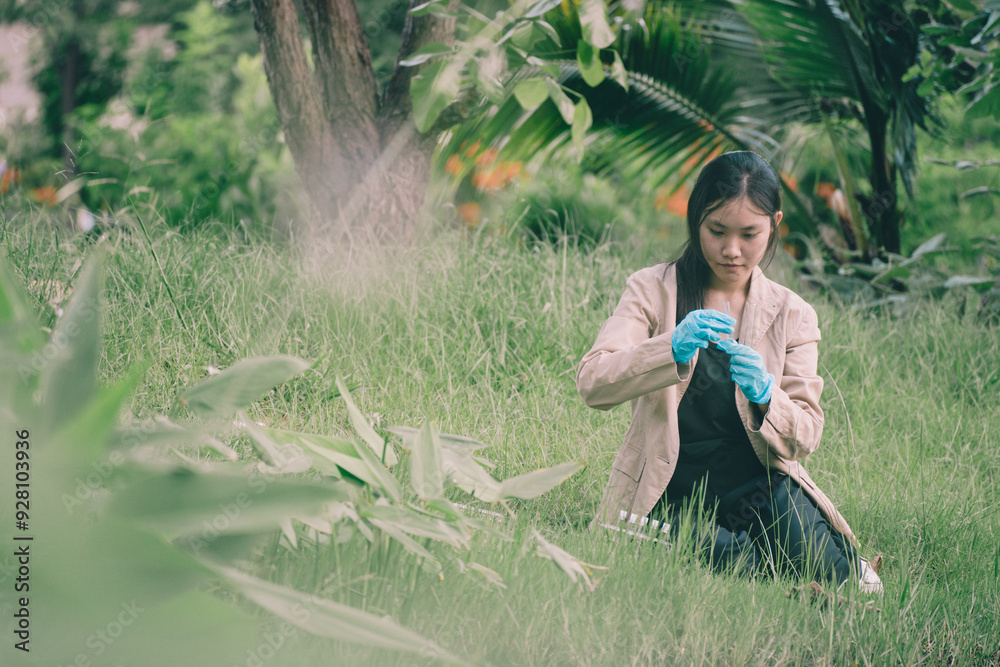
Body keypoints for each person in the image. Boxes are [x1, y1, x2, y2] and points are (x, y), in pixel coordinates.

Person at [576, 151, 882, 592]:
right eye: (716, 230)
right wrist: (669, 348)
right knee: (721, 557)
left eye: (749, 233)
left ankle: (814, 564)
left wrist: (766, 395)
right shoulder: (651, 289)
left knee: (845, 584)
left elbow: (806, 435)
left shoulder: (793, 314)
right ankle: (741, 558)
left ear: (774, 224)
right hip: (668, 492)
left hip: (760, 493)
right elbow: (593, 382)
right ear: (695, 218)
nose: (731, 250)